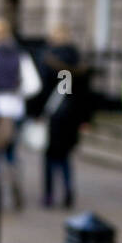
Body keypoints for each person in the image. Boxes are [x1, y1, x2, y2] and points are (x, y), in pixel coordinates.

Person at [0, 19, 42, 208]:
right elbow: (34, 85)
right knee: (12, 154)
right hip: (16, 110)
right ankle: (15, 188)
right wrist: (18, 92)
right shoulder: (21, 55)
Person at [37, 28, 93, 208]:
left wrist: (36, 114)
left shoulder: (48, 60)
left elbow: (42, 90)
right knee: (66, 156)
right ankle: (68, 191)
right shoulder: (79, 61)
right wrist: (86, 119)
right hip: (73, 115)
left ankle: (49, 195)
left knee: (50, 156)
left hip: (54, 114)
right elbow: (86, 95)